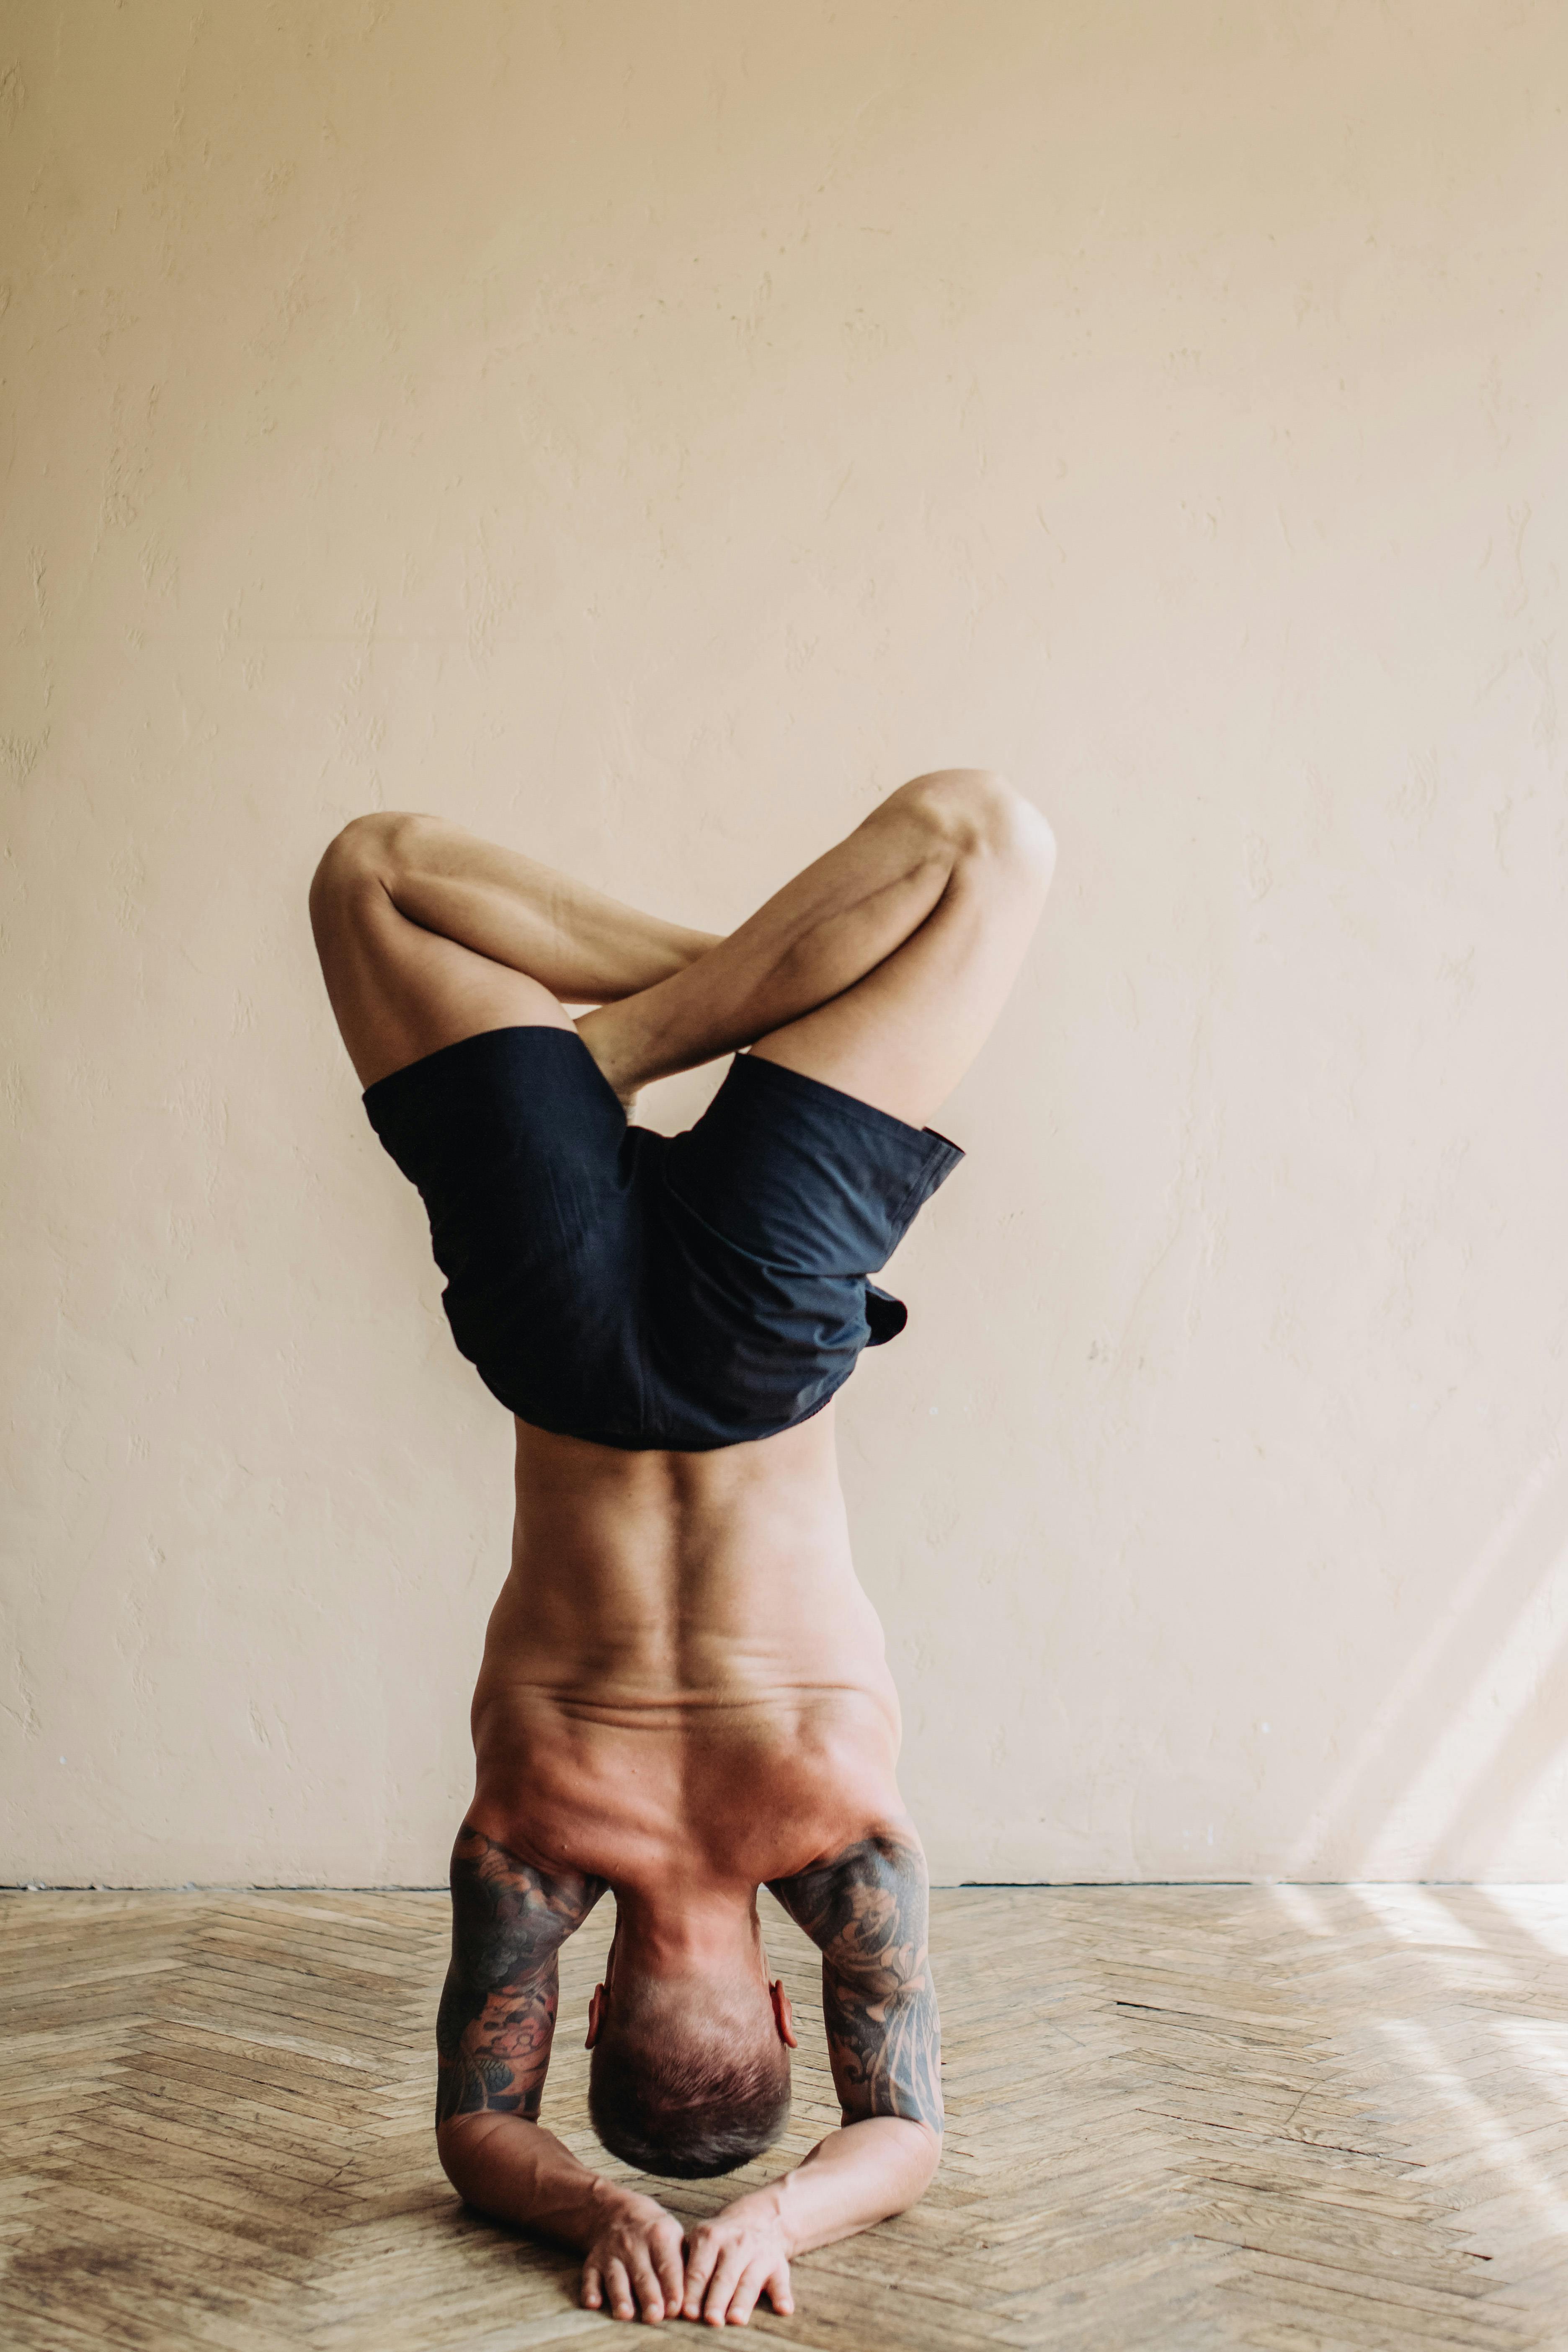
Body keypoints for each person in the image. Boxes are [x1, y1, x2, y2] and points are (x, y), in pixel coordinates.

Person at [308, 769, 1054, 2328]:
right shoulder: (529, 1845)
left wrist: (777, 2216)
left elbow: (903, 2136)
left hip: (755, 1348)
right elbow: (474, 2132)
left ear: (792, 2006)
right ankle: (652, 1030)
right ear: (584, 2022)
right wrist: (599, 2201)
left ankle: (666, 1028)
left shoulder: (847, 1846)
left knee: (981, 842)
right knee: (372, 874)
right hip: (559, 1341)